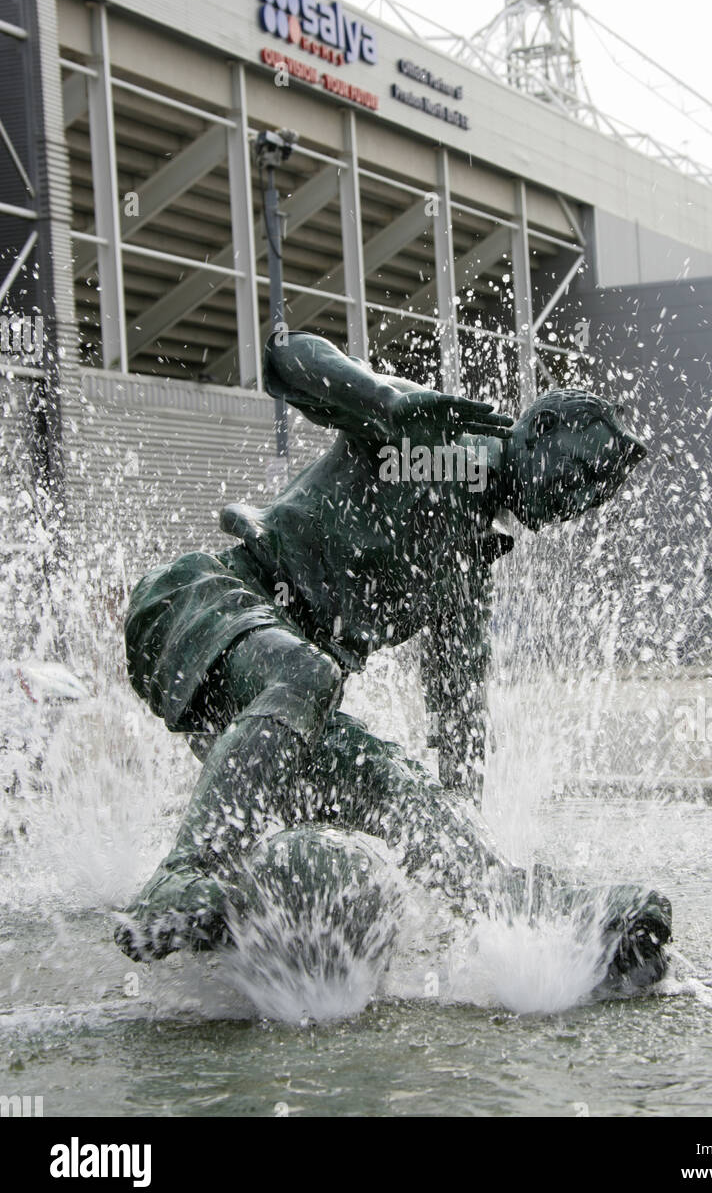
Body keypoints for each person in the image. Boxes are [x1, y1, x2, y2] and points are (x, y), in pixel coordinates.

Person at [115, 330, 669, 980]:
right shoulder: (434, 442)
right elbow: (288, 360)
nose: (576, 500)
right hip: (204, 605)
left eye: (592, 495)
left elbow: (458, 704)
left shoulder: (468, 558)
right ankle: (180, 877)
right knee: (309, 670)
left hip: (276, 713)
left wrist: (460, 828)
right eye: (576, 474)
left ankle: (537, 923)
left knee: (401, 787)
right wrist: (382, 400)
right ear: (538, 426)